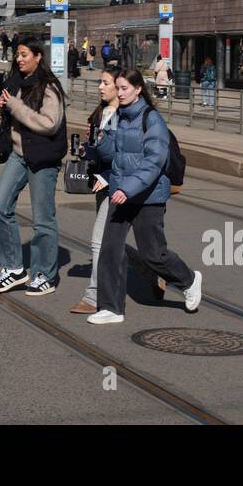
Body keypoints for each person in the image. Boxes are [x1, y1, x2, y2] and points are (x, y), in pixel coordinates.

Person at [88, 69, 202, 324]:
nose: (119, 93)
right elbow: (110, 154)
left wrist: (127, 188)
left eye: (124, 88)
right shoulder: (118, 115)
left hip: (147, 195)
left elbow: (155, 161)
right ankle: (111, 308)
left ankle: (189, 280)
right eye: (117, 88)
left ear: (138, 89)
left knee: (153, 254)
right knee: (110, 249)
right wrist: (101, 136)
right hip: (121, 193)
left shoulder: (152, 120)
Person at [0, 40, 67, 296]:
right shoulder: (14, 82)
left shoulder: (49, 86)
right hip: (18, 153)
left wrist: (15, 106)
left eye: (24, 55)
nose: (19, 59)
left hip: (42, 157)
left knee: (43, 219)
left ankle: (45, 273)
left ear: (37, 56)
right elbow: (1, 116)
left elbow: (49, 124)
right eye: (17, 55)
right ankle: (13, 268)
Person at [69, 70, 120, 315]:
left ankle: (93, 296)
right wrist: (85, 150)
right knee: (113, 239)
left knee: (99, 240)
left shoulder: (124, 116)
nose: (100, 87)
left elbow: (125, 155)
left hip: (118, 185)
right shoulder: (100, 113)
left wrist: (108, 176)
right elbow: (99, 150)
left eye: (105, 82)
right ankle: (151, 270)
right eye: (100, 81)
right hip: (101, 182)